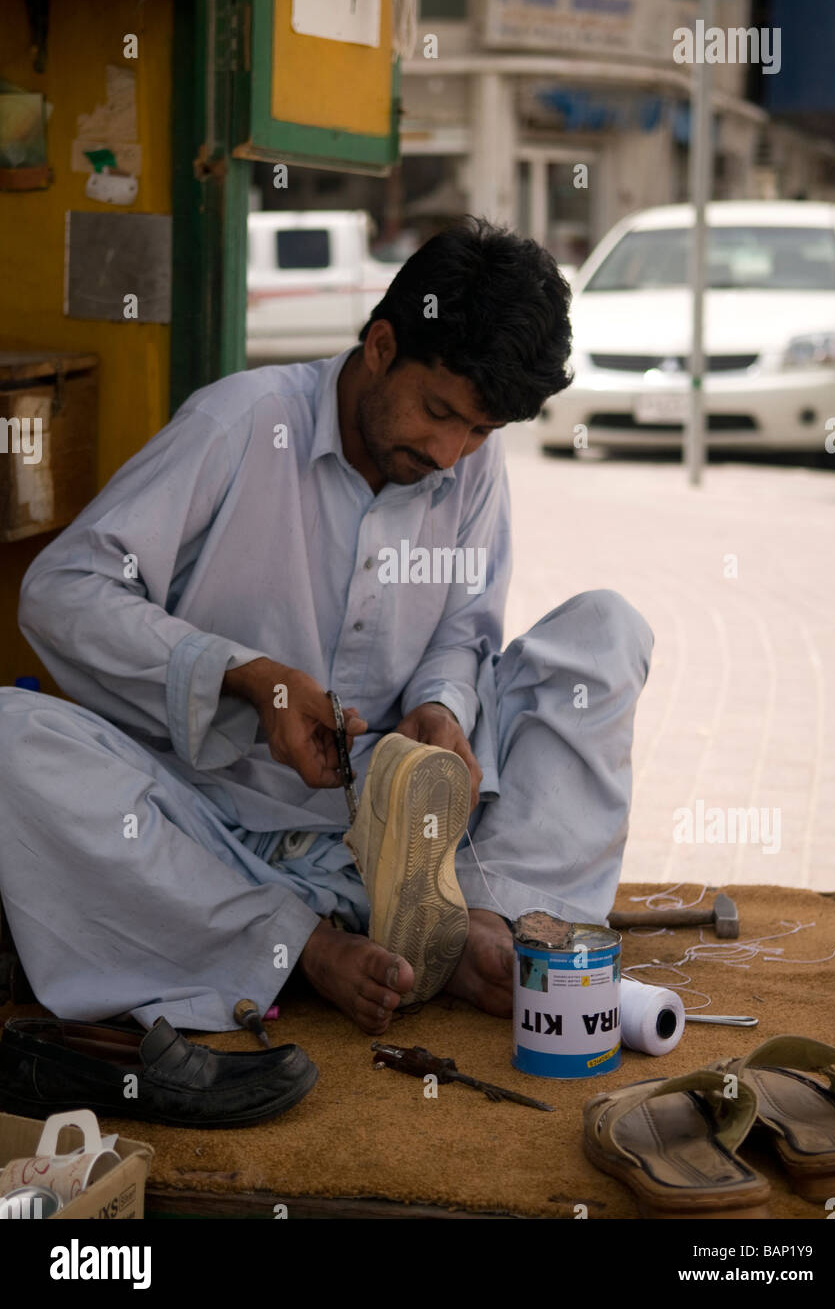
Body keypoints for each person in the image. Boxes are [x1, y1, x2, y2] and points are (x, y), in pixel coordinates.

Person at [0, 217, 653, 1039]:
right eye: (438, 412)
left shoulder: (470, 467)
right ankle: (296, 945)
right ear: (381, 345)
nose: (451, 453)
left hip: (397, 837)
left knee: (605, 631)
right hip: (209, 829)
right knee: (8, 735)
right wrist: (249, 678)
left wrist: (441, 707)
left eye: (479, 432)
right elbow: (61, 592)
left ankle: (488, 927)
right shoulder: (241, 422)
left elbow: (465, 629)